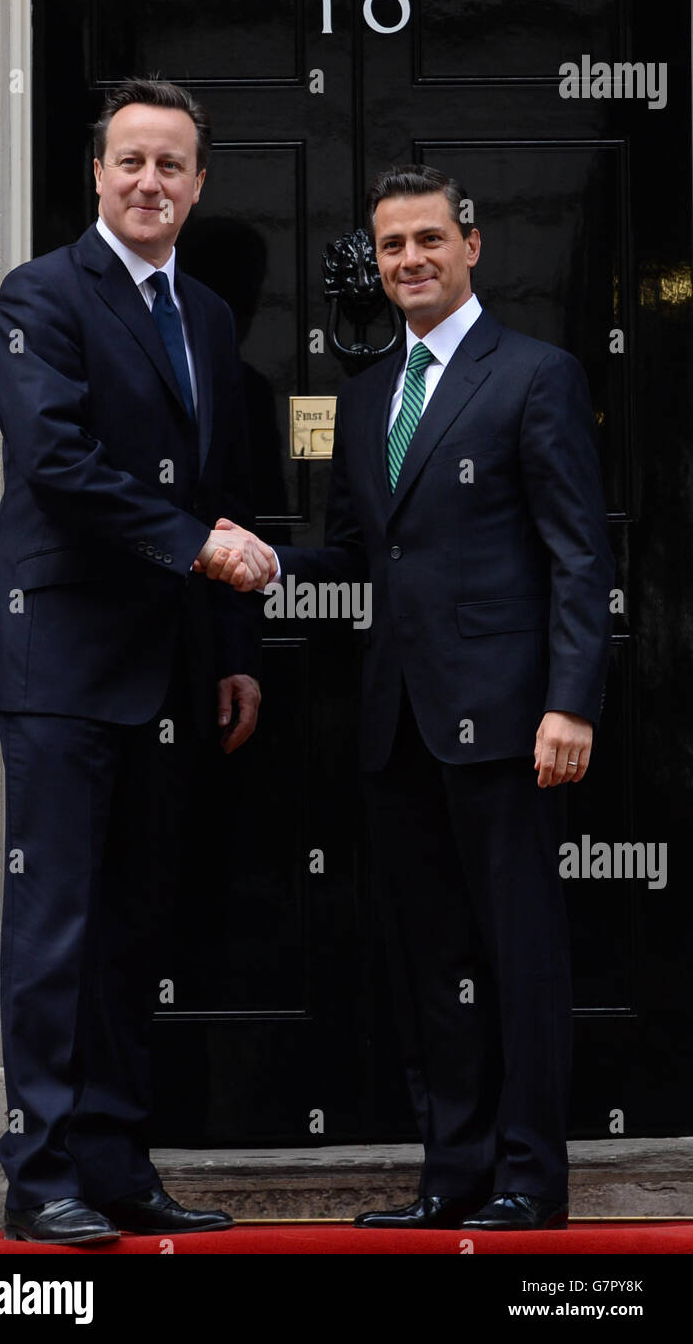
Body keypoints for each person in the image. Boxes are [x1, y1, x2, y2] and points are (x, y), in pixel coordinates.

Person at [207, 164, 614, 1230]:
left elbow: (579, 555)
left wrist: (570, 702)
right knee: (430, 961)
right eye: (391, 247)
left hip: (512, 723)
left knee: (519, 956)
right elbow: (357, 551)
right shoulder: (362, 398)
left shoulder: (538, 375)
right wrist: (269, 561)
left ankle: (530, 1179)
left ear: (471, 245)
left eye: (429, 239)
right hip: (396, 726)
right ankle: (453, 1174)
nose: (411, 261)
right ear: (377, 265)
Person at [0, 77, 275, 1245]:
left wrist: (232, 648)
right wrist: (198, 547)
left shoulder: (204, 318)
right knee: (56, 928)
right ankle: (41, 1180)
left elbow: (227, 485)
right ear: (96, 173)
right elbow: (53, 461)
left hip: (169, 666)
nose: (150, 182)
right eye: (130, 160)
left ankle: (118, 1164)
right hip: (60, 658)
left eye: (172, 165)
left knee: (135, 927)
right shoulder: (40, 292)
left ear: (198, 184)